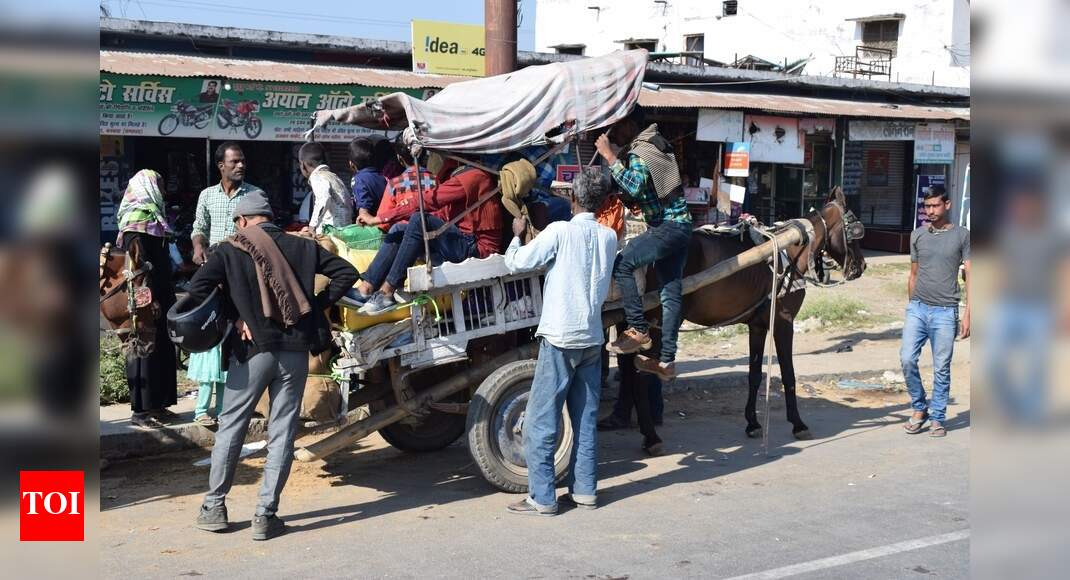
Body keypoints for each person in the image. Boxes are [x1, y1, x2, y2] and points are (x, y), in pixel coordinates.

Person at [191, 193, 357, 540]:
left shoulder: (229, 250)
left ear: (241, 221)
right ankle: (265, 516)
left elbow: (197, 292)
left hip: (251, 352)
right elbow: (346, 273)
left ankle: (214, 507)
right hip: (295, 353)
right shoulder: (301, 246)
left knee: (231, 428)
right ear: (268, 217)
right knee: (282, 432)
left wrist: (235, 317)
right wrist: (311, 305)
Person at [503, 168, 618, 516]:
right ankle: (584, 491)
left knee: (541, 418)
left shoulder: (559, 232)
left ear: (572, 199)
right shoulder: (609, 237)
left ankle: (543, 496)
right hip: (590, 337)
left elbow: (517, 263)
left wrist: (517, 235)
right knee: (585, 418)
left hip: (559, 337)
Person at [598, 105, 693, 381]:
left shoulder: (640, 150)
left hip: (667, 226)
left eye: (617, 126)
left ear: (629, 124)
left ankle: (638, 329)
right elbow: (646, 190)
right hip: (682, 225)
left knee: (623, 264)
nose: (613, 132)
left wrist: (609, 156)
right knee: (670, 292)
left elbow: (636, 185)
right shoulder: (657, 143)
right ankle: (666, 361)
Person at [354, 158, 502, 315]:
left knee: (419, 219)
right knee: (400, 228)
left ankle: (387, 292)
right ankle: (367, 287)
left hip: (477, 248)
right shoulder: (455, 177)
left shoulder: (473, 176)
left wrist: (379, 218)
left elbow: (427, 202)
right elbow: (439, 213)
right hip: (461, 241)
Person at [189, 142, 265, 428]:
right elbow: (199, 228)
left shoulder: (255, 195)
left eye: (243, 161)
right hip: (214, 271)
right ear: (220, 165)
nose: (240, 166)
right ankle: (207, 403)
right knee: (211, 331)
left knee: (243, 331)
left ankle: (240, 400)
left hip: (244, 271)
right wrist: (198, 246)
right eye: (234, 162)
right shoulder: (207, 195)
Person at [901, 184, 970, 438]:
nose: (930, 210)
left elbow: (971, 276)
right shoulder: (917, 235)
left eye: (935, 205)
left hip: (945, 311)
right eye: (926, 206)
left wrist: (968, 313)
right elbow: (913, 274)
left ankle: (938, 417)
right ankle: (920, 408)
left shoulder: (962, 235)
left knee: (941, 367)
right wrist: (911, 306)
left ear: (947, 205)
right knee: (907, 358)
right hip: (918, 308)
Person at [115, 169, 179, 429]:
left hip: (162, 293)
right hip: (144, 298)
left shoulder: (155, 218)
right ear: (148, 187)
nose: (163, 191)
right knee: (142, 348)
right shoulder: (134, 223)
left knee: (162, 347)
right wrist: (148, 298)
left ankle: (160, 404)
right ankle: (140, 411)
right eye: (160, 184)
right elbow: (138, 266)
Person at [360, 133, 438, 232]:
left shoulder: (395, 184)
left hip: (403, 238)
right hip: (434, 235)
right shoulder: (437, 181)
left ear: (399, 158)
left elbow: (383, 223)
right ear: (424, 155)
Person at [300, 142, 353, 235]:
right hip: (344, 229)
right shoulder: (333, 176)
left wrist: (312, 226)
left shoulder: (317, 176)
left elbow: (323, 199)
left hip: (331, 232)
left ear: (303, 165)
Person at [348, 137, 388, 226]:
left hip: (371, 227)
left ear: (351, 164)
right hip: (383, 222)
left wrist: (362, 217)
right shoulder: (383, 177)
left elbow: (364, 206)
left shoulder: (358, 179)